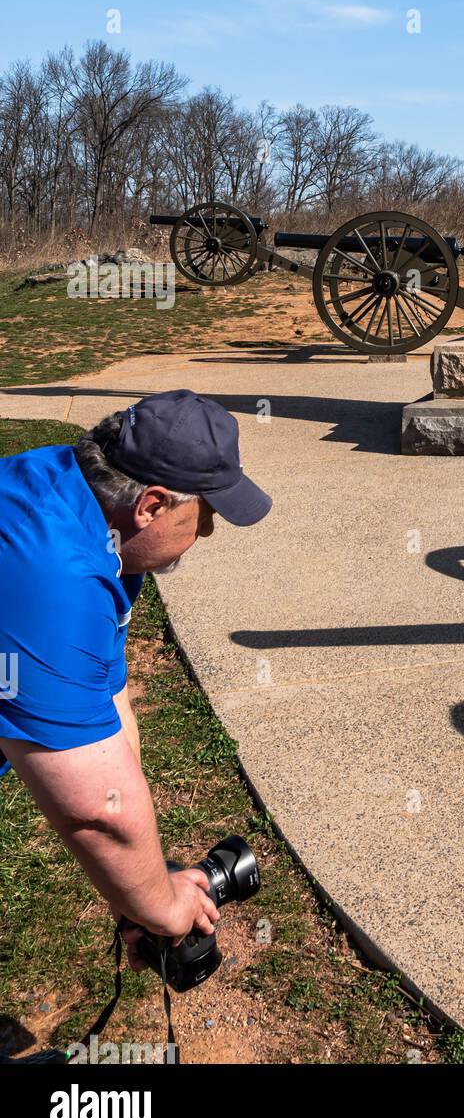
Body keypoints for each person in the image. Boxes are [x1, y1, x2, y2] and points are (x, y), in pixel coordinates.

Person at [0, 389, 272, 967]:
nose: (208, 535)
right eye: (206, 516)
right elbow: (97, 808)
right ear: (151, 505)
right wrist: (166, 909)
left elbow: (108, 698)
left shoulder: (82, 507)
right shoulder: (55, 577)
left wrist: (143, 889)